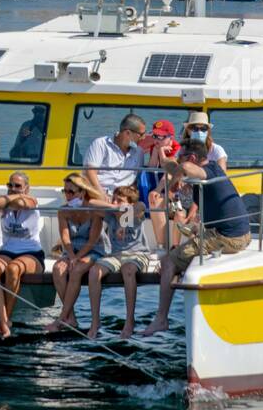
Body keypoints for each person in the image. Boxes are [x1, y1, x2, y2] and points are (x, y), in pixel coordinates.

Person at [143, 142, 251, 335]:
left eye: (182, 155)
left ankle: (161, 319)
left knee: (168, 262)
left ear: (192, 158)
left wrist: (172, 183)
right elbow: (176, 165)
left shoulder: (208, 171)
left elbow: (184, 168)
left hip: (226, 237)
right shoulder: (209, 168)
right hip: (231, 231)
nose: (179, 159)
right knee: (182, 242)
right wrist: (163, 155)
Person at [87, 185, 154, 338]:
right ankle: (95, 321)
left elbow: (140, 206)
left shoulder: (136, 212)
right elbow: (91, 204)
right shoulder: (111, 215)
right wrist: (114, 207)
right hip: (116, 255)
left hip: (137, 253)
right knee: (93, 272)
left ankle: (129, 321)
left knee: (128, 270)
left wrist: (124, 218)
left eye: (120, 200)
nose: (116, 203)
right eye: (114, 199)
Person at [0, 172, 44, 339]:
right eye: (10, 185)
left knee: (13, 269)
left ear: (27, 188)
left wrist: (7, 200)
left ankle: (6, 319)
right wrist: (4, 202)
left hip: (31, 252)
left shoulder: (32, 201)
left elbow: (22, 203)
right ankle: (3, 321)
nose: (13, 188)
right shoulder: (5, 204)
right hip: (8, 250)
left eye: (17, 186)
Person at [49, 173, 107, 333]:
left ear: (82, 192)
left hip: (94, 249)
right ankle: (71, 318)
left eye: (71, 192)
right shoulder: (63, 211)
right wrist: (72, 256)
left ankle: (61, 318)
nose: (67, 195)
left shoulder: (94, 210)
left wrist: (77, 258)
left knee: (76, 271)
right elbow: (65, 236)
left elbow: (93, 240)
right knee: (58, 269)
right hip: (72, 250)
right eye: (65, 191)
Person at [83, 114, 147, 200]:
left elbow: (135, 181)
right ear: (128, 133)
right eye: (141, 134)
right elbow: (90, 172)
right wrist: (101, 195)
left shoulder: (139, 152)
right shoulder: (101, 144)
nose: (144, 137)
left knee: (140, 207)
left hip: (123, 199)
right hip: (97, 195)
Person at [139, 120, 181, 250]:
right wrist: (157, 150)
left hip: (175, 195)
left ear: (170, 137)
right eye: (155, 136)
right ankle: (159, 246)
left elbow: (168, 170)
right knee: (151, 201)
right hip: (161, 191)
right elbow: (152, 168)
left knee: (155, 201)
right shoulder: (155, 147)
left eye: (161, 137)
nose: (156, 140)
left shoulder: (177, 149)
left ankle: (163, 246)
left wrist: (157, 190)